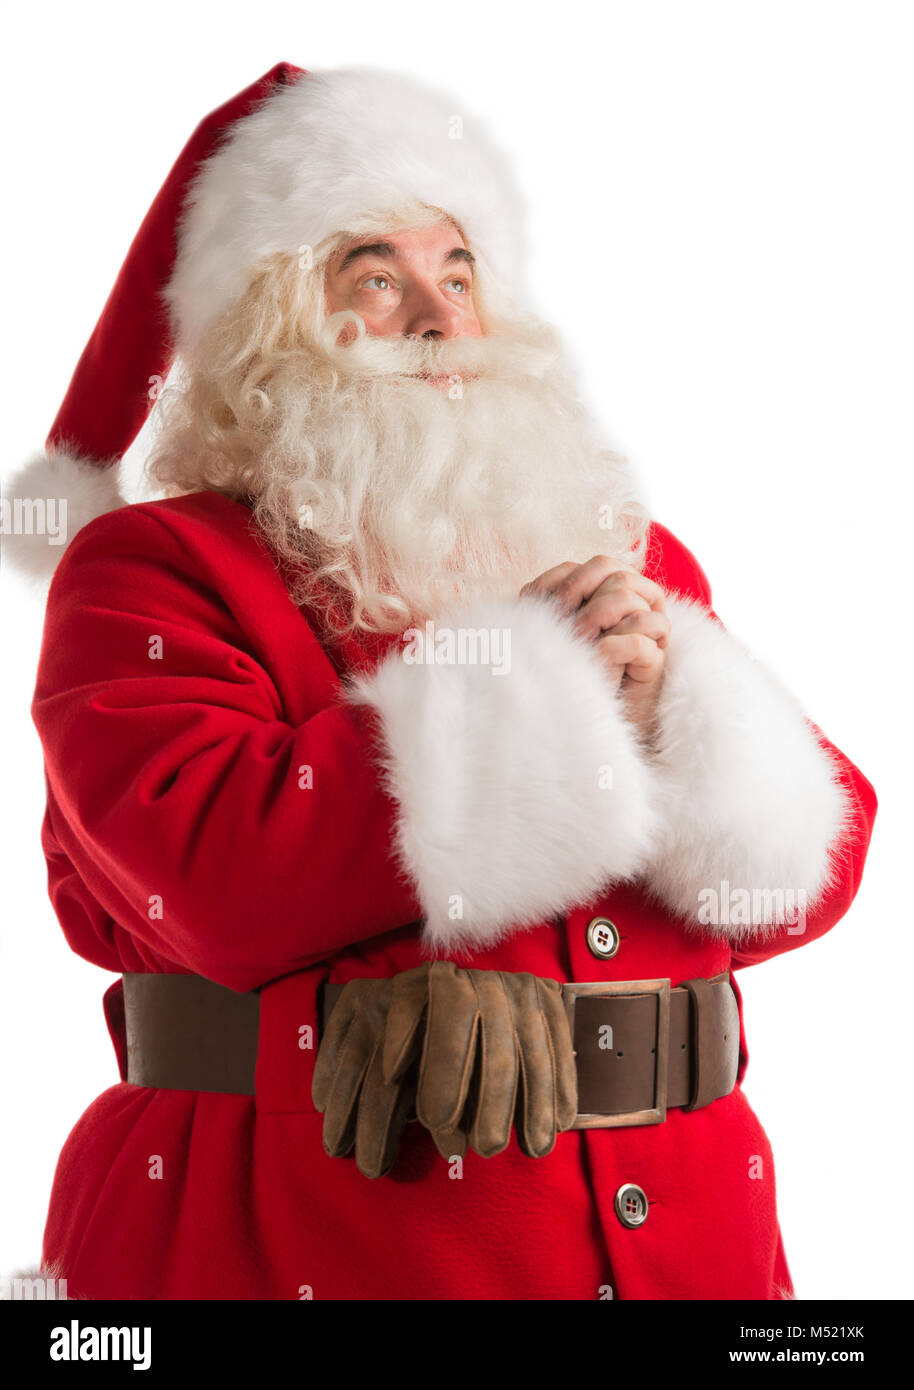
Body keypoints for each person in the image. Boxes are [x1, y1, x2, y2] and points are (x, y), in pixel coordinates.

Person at [6, 63, 876, 1300]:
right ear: (272, 327)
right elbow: (204, 868)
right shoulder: (151, 571)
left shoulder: (627, 556)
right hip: (304, 1243)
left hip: (704, 1250)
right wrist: (531, 700)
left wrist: (673, 722)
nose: (437, 314)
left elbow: (813, 874)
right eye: (376, 275)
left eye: (457, 270)